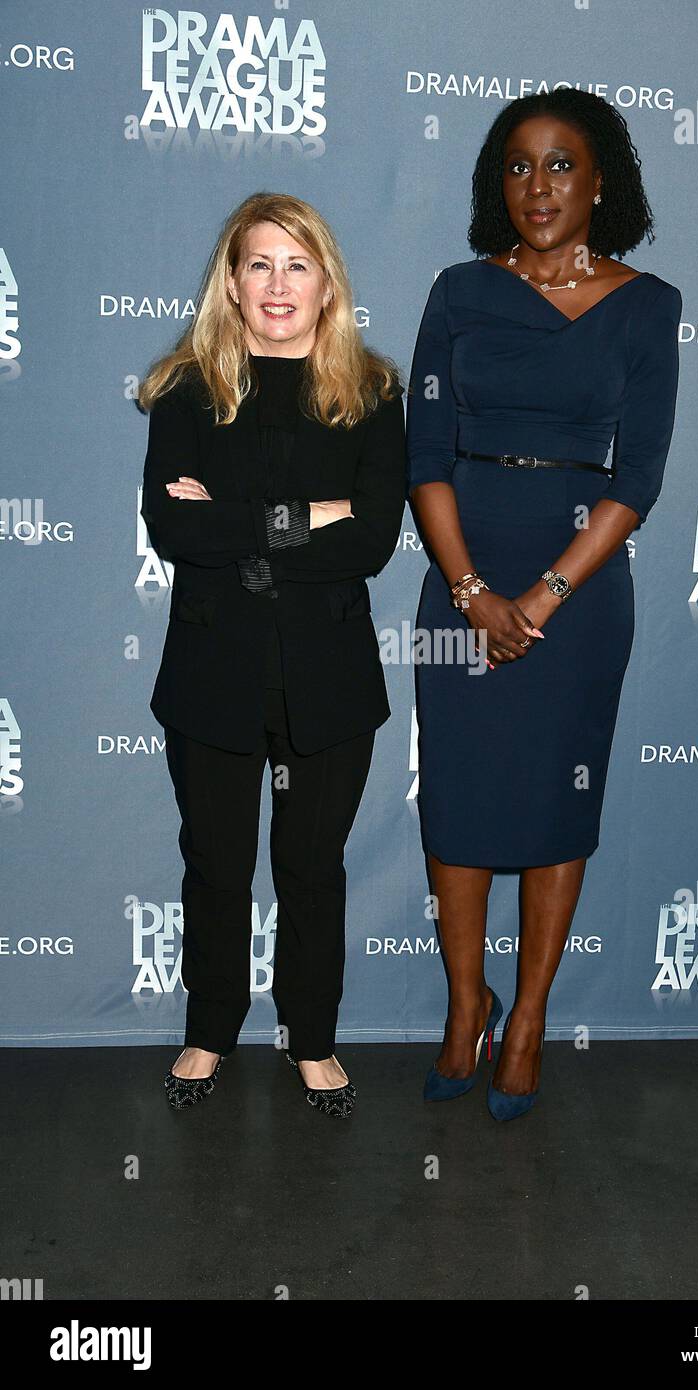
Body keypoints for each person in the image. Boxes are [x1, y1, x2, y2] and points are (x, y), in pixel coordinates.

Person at [406, 90, 682, 1121]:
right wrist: (473, 592)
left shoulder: (645, 304)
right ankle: (463, 1006)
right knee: (459, 801)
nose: (538, 185)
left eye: (561, 164)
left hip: (579, 583)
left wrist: (545, 595)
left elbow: (638, 475)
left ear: (600, 182)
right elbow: (424, 455)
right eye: (518, 165)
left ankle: (525, 1021)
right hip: (461, 569)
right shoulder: (458, 292)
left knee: (556, 803)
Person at [139, 192, 406, 1117]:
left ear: (327, 284)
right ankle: (210, 1030)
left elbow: (371, 540)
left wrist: (236, 521)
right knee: (215, 865)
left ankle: (313, 1041)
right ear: (232, 281)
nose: (278, 284)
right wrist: (309, 516)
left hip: (328, 678)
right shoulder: (186, 389)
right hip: (211, 672)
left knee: (313, 869)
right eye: (259, 264)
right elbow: (175, 528)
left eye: (298, 264)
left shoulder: (372, 393)